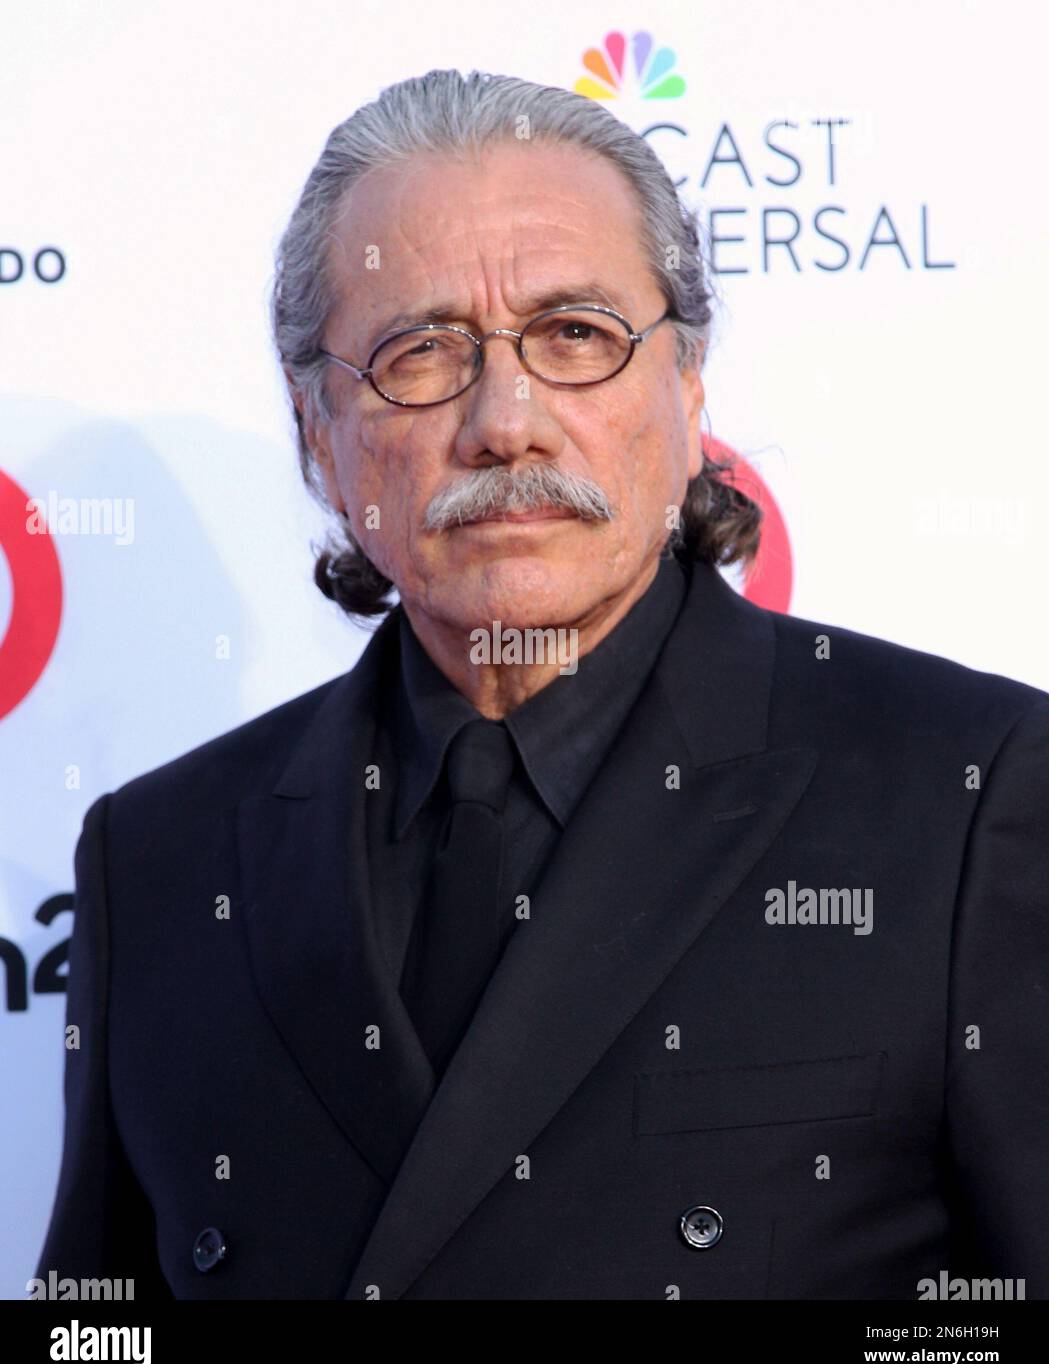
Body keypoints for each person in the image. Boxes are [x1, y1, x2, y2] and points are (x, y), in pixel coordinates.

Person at [35, 69, 1049, 1300]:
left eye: (575, 335)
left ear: (685, 391)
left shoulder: (963, 798)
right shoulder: (161, 860)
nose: (505, 420)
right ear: (316, 430)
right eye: (421, 354)